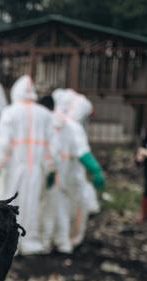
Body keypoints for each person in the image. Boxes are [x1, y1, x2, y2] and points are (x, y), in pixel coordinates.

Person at [0, 75, 55, 255]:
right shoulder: (44, 114)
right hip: (36, 168)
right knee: (33, 204)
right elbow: (52, 145)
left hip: (15, 167)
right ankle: (31, 242)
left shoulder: (10, 112)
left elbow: (4, 144)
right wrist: (51, 169)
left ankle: (11, 244)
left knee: (12, 203)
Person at [45, 90, 106, 254]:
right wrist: (97, 170)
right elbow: (83, 153)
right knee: (72, 209)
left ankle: (52, 240)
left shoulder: (52, 120)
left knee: (54, 208)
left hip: (54, 173)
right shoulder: (73, 127)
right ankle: (67, 242)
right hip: (70, 176)